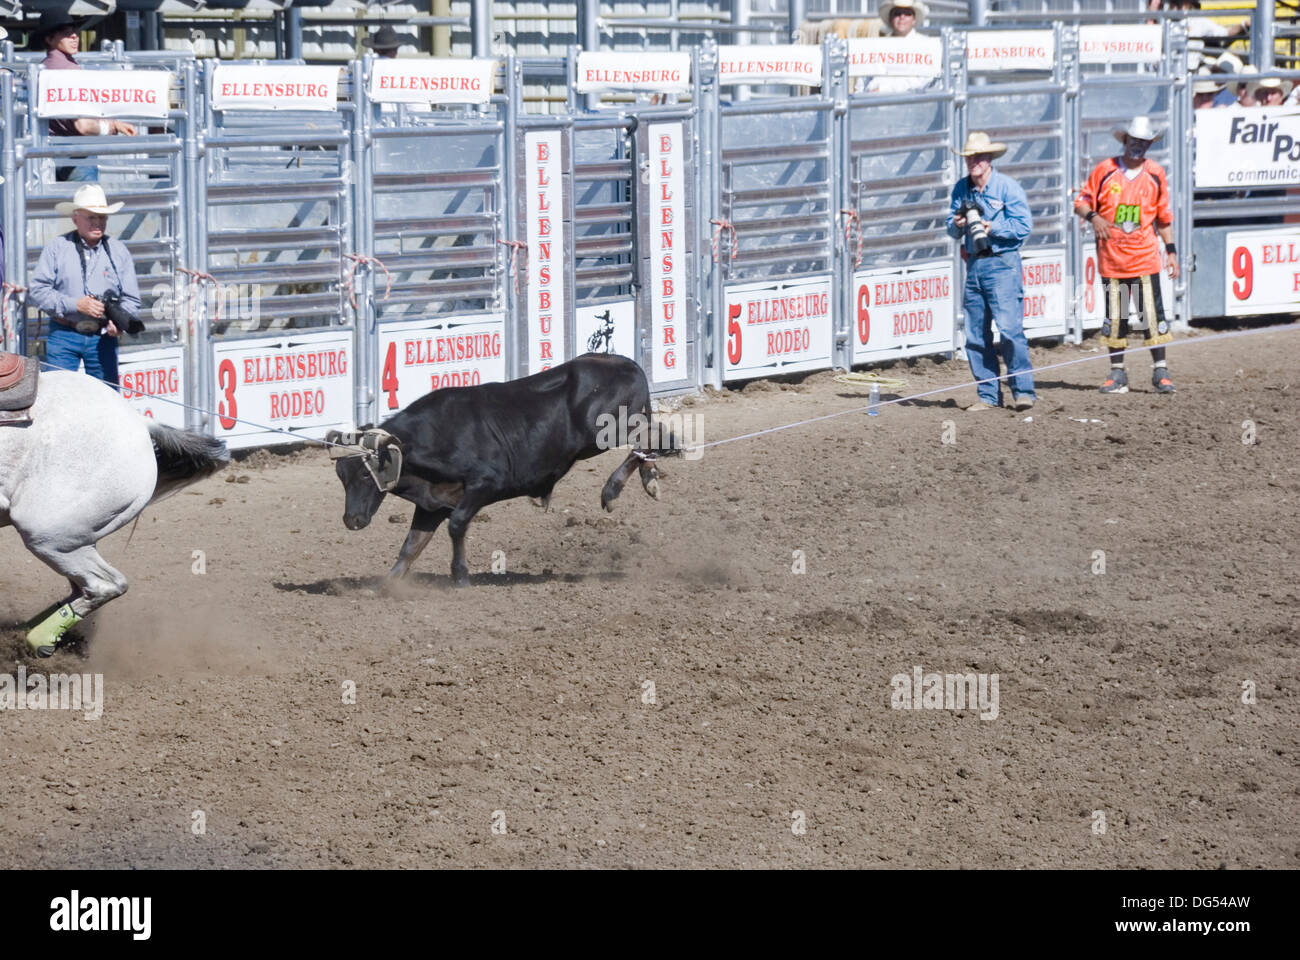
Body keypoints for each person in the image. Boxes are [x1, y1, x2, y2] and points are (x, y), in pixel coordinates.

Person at [1074, 117, 1181, 395]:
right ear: (1125, 141)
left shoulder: (1155, 174)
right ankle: (1117, 372)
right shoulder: (1105, 171)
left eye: (1143, 142)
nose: (1138, 147)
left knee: (1152, 315)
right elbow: (1082, 201)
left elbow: (1163, 217)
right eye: (1134, 141)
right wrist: (1094, 216)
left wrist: (1171, 251)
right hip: (1112, 260)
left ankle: (1160, 370)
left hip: (1144, 258)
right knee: (1116, 317)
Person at [946, 131, 1035, 412]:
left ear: (989, 159)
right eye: (970, 157)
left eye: (979, 157)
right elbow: (950, 227)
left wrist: (993, 227)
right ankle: (988, 395)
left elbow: (1023, 227)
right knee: (975, 333)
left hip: (1002, 262)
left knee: (1009, 329)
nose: (974, 162)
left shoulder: (1008, 188)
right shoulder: (961, 189)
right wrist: (959, 223)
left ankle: (1023, 391)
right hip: (974, 264)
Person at [28, 185, 142, 391]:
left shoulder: (119, 251)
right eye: (91, 217)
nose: (98, 223)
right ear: (75, 219)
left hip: (103, 337)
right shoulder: (57, 248)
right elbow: (37, 291)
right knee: (59, 397)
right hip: (64, 333)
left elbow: (131, 299)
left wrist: (120, 321)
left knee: (107, 400)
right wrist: (76, 305)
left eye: (102, 218)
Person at [32, 10, 137, 182]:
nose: (74, 36)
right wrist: (114, 126)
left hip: (47, 153)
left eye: (74, 31)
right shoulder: (70, 71)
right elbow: (84, 126)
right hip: (76, 154)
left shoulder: (41, 69)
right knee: (88, 204)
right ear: (49, 39)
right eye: (66, 33)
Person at [864, 1, 932, 95]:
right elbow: (865, 78)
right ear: (891, 18)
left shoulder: (926, 45)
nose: (902, 17)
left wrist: (883, 89)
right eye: (897, 13)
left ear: (914, 20)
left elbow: (922, 82)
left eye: (907, 13)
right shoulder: (878, 46)